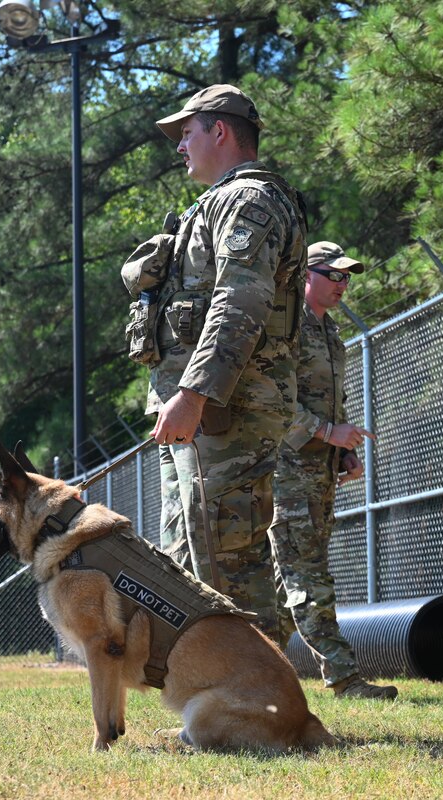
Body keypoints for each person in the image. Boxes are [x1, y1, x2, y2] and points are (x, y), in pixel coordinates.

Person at [124, 84, 308, 643]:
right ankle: (216, 706)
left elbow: (240, 302)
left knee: (228, 565)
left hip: (225, 414)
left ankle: (262, 714)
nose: (181, 147)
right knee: (188, 559)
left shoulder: (249, 200)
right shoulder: (217, 204)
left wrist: (195, 393)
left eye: (186, 133)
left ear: (219, 131)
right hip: (200, 419)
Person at [267, 241, 397, 699]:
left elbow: (328, 401)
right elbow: (273, 400)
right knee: (308, 575)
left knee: (288, 586)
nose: (343, 284)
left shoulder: (330, 330)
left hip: (319, 471)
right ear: (307, 274)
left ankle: (256, 671)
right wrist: (327, 433)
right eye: (334, 275)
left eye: (347, 277)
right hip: (288, 471)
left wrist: (341, 450)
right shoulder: (285, 326)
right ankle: (344, 680)